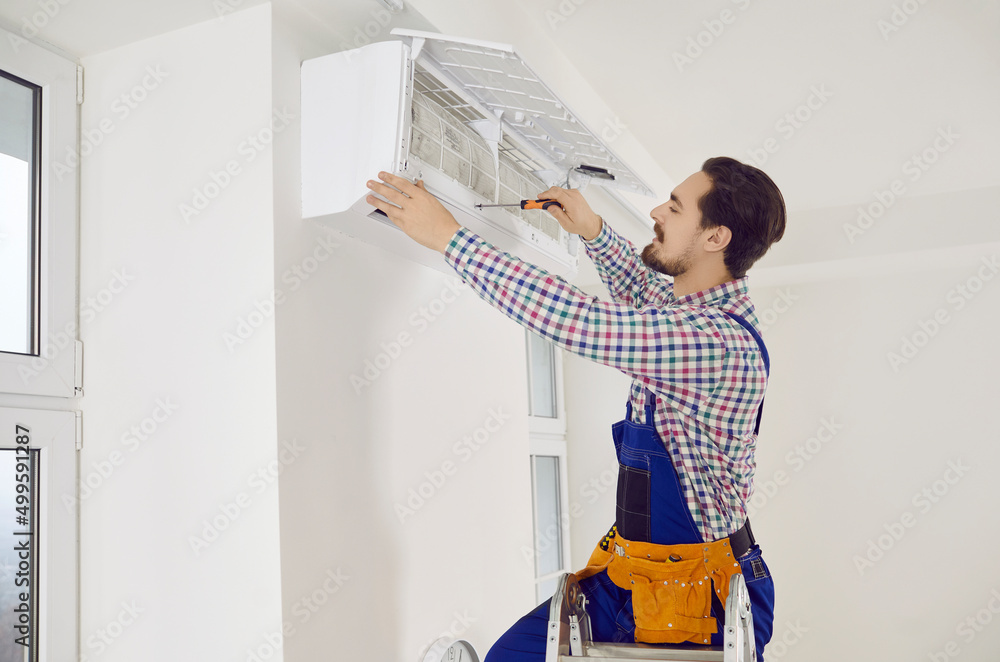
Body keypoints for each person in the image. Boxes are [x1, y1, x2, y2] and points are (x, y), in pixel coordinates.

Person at [366, 156, 786, 660]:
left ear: (716, 238)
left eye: (674, 208)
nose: (657, 210)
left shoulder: (717, 346)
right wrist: (593, 231)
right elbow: (642, 291)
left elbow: (580, 321)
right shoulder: (693, 306)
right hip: (640, 571)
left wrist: (451, 240)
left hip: (701, 599)